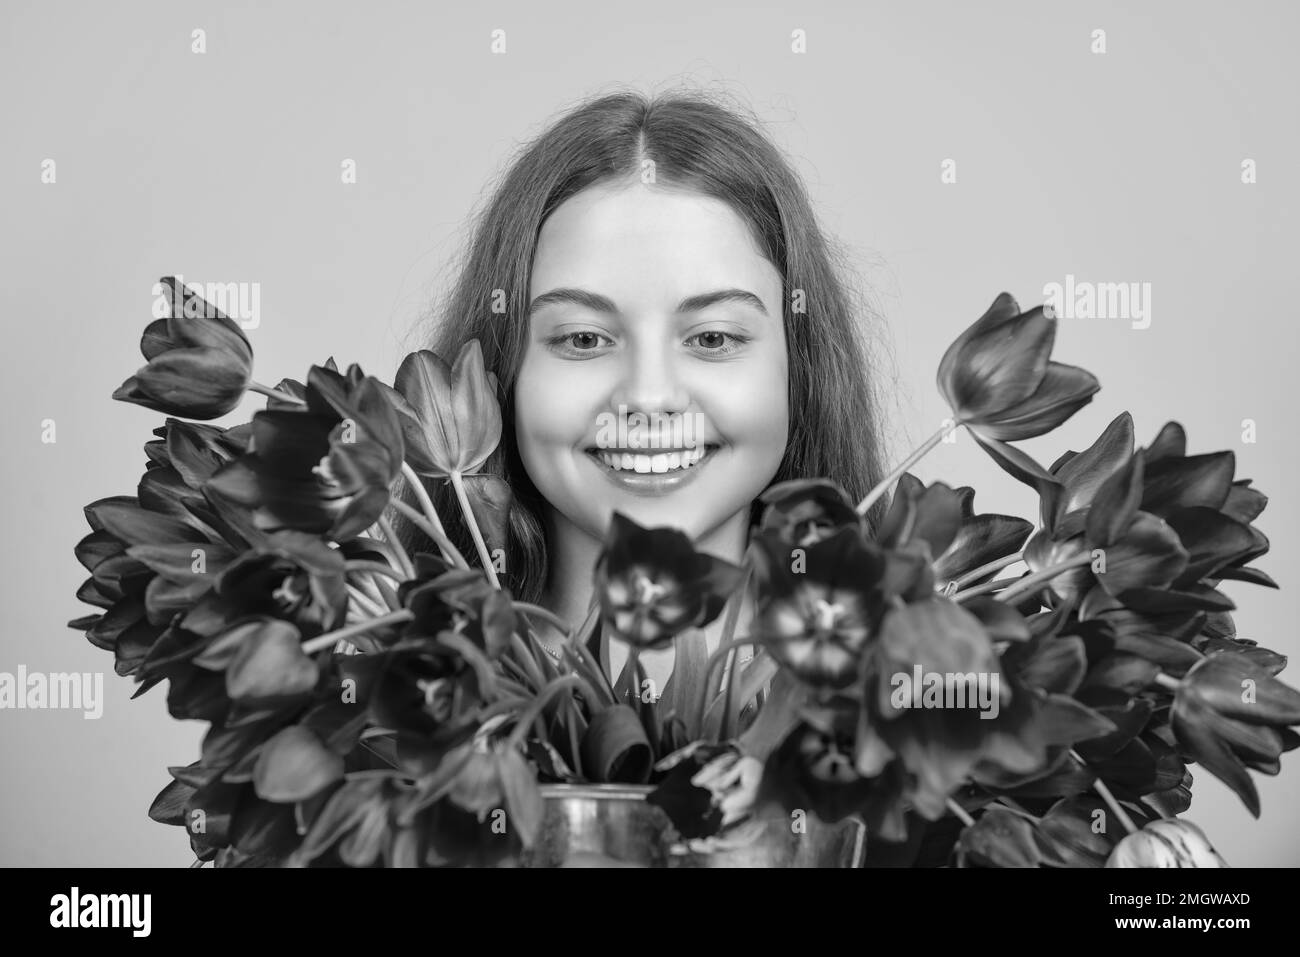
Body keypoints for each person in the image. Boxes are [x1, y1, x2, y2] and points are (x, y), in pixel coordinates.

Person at [393, 89, 950, 863]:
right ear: (502, 372)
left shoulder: (932, 725)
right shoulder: (384, 711)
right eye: (583, 338)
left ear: (798, 368)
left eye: (713, 337)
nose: (650, 396)